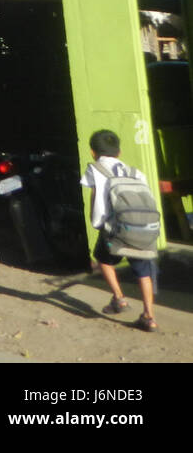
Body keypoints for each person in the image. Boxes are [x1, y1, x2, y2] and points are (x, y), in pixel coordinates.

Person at [82, 129, 159, 332]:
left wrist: (97, 222)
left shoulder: (95, 169)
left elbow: (96, 198)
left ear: (93, 152)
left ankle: (119, 297)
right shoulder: (135, 172)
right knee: (143, 271)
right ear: (120, 152)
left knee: (103, 258)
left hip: (115, 230)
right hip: (142, 228)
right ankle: (149, 317)